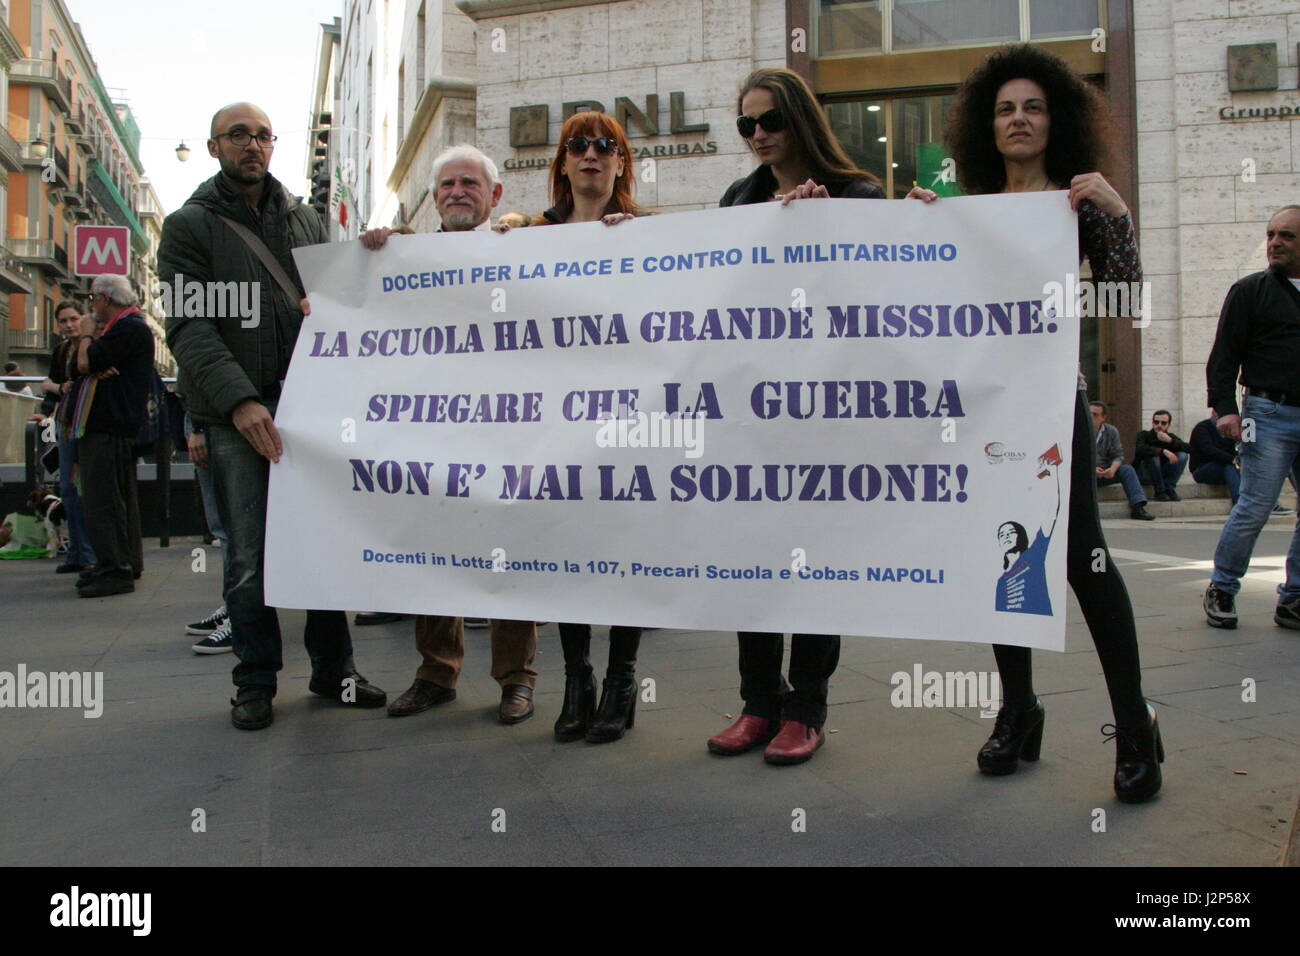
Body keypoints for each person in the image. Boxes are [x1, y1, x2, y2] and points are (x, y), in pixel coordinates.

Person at [913, 43, 1162, 802]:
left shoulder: (1077, 205)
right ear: (985, 127)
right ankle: (1018, 711)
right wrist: (918, 235)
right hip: (987, 408)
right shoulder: (967, 211)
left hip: (1054, 404)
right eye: (1004, 109)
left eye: (1033, 107)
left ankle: (1134, 724)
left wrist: (1118, 216)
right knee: (1005, 555)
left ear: (1057, 121)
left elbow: (1128, 304)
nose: (1018, 119)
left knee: (1085, 558)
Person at [161, 102, 386, 730]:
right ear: (214, 147)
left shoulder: (304, 218)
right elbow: (189, 325)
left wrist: (373, 252)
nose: (252, 145)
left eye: (262, 135)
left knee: (321, 542)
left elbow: (339, 295)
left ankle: (334, 672)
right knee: (249, 556)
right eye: (238, 135)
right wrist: (240, 402)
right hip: (236, 416)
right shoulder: (188, 226)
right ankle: (254, 681)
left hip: (310, 407)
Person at [707, 68, 883, 766]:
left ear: (800, 118)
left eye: (770, 120)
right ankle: (758, 701)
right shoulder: (738, 199)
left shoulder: (857, 194)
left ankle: (806, 708)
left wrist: (824, 228)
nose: (757, 134)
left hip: (826, 412)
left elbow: (877, 298)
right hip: (753, 412)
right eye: (746, 124)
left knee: (814, 563)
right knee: (752, 558)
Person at [358, 144, 539, 724]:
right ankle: (436, 673)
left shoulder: (524, 249)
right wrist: (370, 257)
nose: (457, 192)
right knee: (434, 550)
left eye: (470, 183)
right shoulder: (401, 258)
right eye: (447, 185)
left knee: (507, 555)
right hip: (432, 434)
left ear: (495, 195)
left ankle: (516, 679)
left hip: (508, 432)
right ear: (434, 196)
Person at [506, 111, 646, 742]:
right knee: (567, 550)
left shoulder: (649, 233)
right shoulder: (530, 236)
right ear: (561, 162)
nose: (592, 154)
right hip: (554, 425)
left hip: (626, 421)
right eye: (578, 146)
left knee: (623, 551)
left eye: (605, 145)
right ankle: (577, 678)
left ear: (621, 162)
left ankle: (622, 679)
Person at [1203, 204, 1300, 632]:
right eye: (1271, 234)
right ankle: (1222, 588)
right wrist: (1224, 407)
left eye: (1287, 236)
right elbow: (1224, 354)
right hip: (1267, 412)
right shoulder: (1249, 291)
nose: (1275, 243)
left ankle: (1293, 598)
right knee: (1256, 505)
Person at [71, 275, 154, 598]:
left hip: (109, 428)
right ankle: (124, 563)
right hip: (115, 428)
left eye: (92, 298)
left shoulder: (127, 328)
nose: (91, 305)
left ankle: (115, 569)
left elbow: (84, 363)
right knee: (117, 499)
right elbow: (84, 366)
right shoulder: (129, 328)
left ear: (105, 298)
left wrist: (86, 335)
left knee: (103, 501)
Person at [43, 302, 97, 574]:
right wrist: (55, 391)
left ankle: (88, 554)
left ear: (83, 319)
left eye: (73, 319)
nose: (69, 325)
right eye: (63, 320)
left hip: (88, 425)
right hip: (65, 423)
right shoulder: (61, 351)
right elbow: (50, 385)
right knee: (67, 489)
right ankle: (77, 553)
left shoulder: (92, 346)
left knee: (82, 489)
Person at [1092, 403, 1154, 520]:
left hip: (1105, 471)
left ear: (1103, 417)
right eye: (1089, 414)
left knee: (1127, 470)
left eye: (1095, 415)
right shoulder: (1078, 431)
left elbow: (1118, 455)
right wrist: (1091, 469)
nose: (1091, 417)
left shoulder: (1111, 431)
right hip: (1085, 473)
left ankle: (1138, 507)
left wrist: (1112, 469)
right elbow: (1075, 457)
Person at [1134, 410, 1189, 501]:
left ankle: (1169, 488)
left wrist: (1170, 441)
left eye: (1163, 423)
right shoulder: (1143, 435)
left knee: (1182, 455)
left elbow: (1189, 449)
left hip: (1163, 473)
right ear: (1152, 423)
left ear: (1168, 425)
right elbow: (1140, 448)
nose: (1159, 425)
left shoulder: (1170, 437)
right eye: (1156, 422)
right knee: (1153, 455)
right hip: (1144, 474)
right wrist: (1163, 451)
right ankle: (1160, 492)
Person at [1190, 412, 1239, 505]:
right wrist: (1232, 459)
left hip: (1223, 469)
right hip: (1201, 469)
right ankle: (1238, 503)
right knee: (1228, 466)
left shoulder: (1227, 429)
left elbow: (1233, 451)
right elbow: (1209, 450)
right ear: (1214, 413)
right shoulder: (1202, 428)